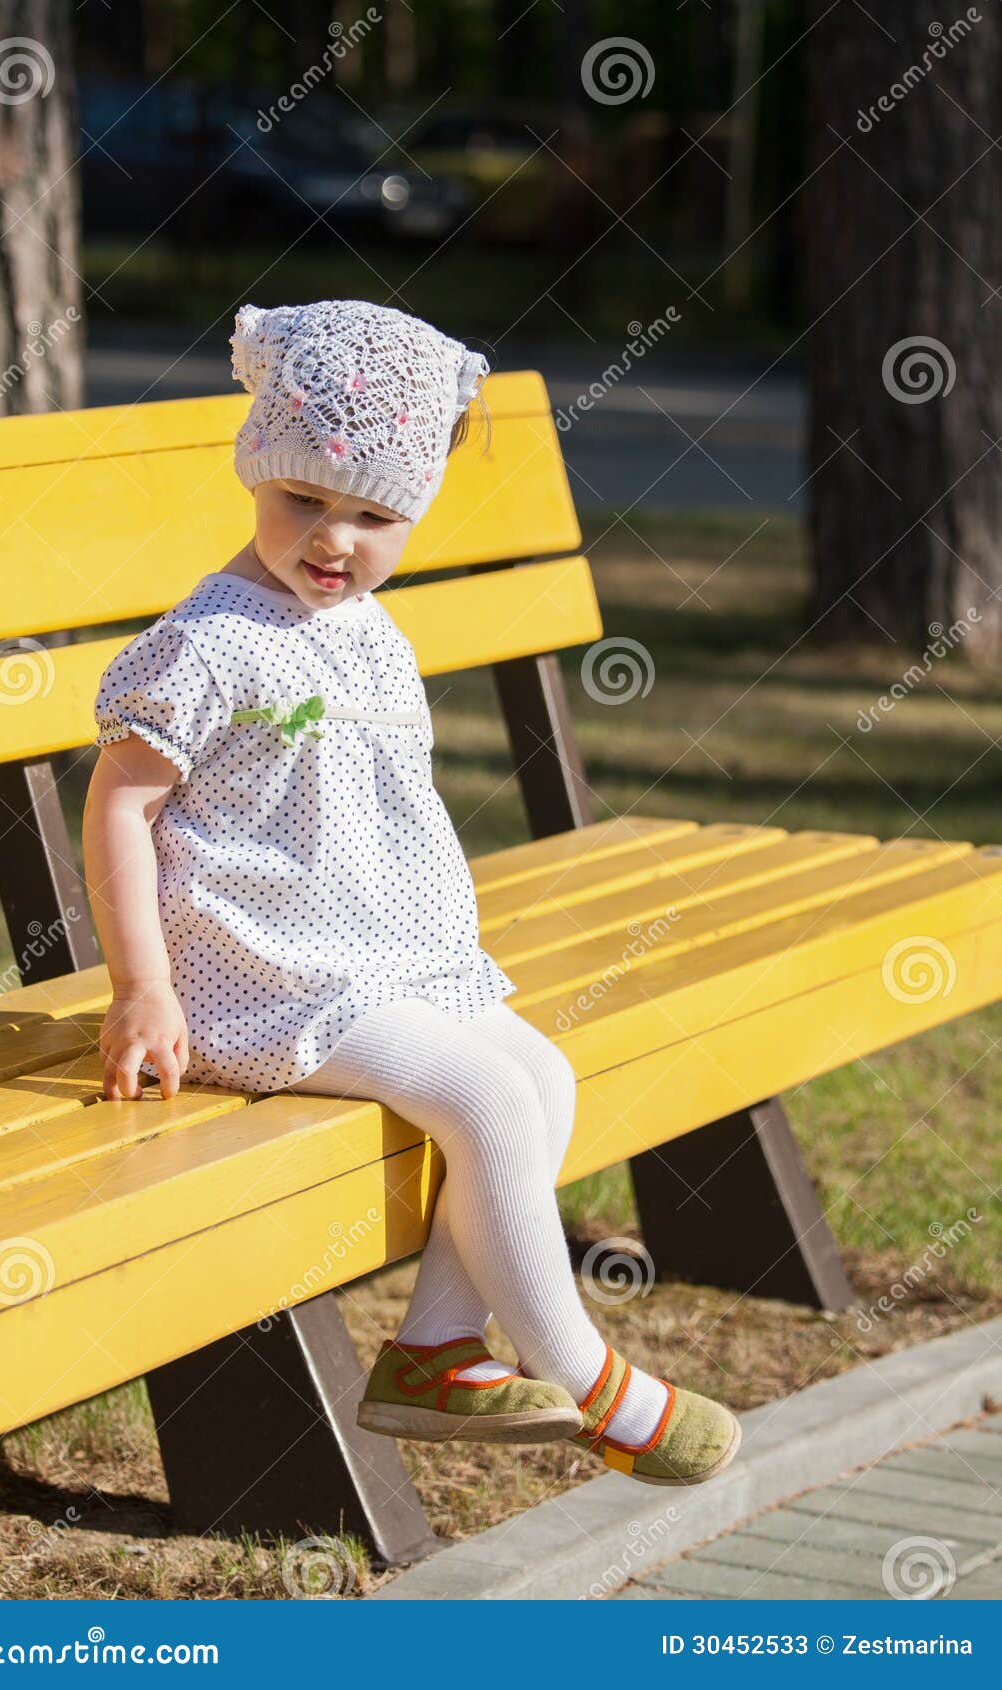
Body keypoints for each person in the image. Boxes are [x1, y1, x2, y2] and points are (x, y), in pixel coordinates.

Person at [82, 298, 740, 1486]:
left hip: (378, 965)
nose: (333, 539)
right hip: (259, 983)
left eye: (375, 517)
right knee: (483, 1096)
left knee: (541, 1075)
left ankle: (435, 1345)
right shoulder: (209, 642)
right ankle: (586, 1376)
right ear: (256, 472)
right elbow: (120, 806)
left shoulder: (368, 633)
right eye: (304, 499)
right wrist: (141, 988)